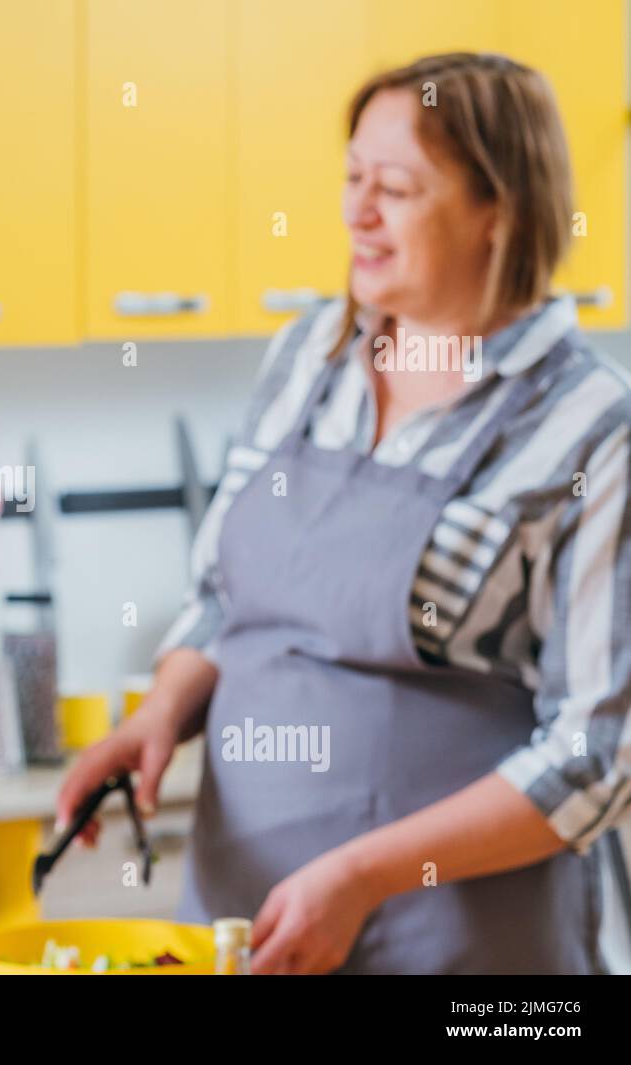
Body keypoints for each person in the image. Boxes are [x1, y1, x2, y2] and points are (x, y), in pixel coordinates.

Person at [57, 53, 631, 975]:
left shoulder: (591, 425)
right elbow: (223, 597)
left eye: (396, 188)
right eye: (352, 177)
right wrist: (160, 712)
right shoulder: (306, 358)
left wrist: (367, 874)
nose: (355, 211)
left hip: (469, 944)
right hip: (247, 915)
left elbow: (595, 756)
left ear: (501, 210)